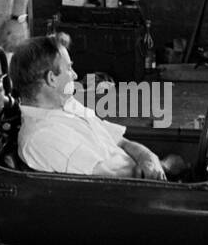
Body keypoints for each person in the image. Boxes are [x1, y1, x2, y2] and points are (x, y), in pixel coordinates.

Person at [10, 34, 186, 179]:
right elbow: (111, 177)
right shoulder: (42, 137)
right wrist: (163, 166)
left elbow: (121, 142)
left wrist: (148, 157)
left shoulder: (65, 105)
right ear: (52, 79)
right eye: (69, 69)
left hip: (144, 176)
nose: (75, 74)